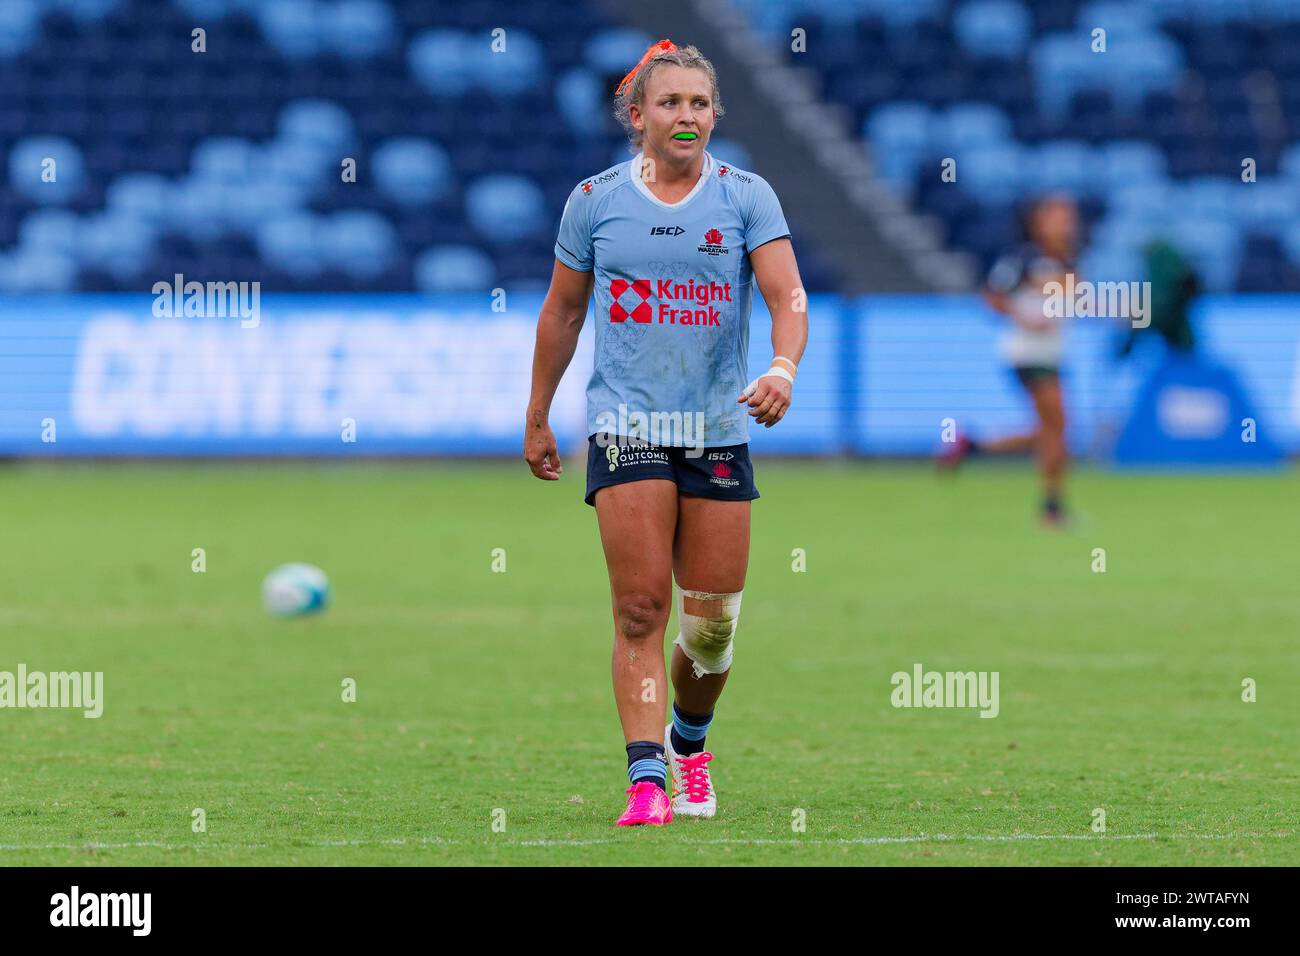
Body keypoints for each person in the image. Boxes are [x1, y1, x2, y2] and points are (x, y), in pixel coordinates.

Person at [523, 40, 808, 826]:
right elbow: (563, 311)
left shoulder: (747, 197)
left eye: (699, 103)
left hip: (717, 430)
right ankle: (646, 779)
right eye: (670, 103)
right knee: (641, 610)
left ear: (715, 113)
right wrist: (540, 412)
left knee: (710, 633)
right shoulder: (595, 199)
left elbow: (789, 296)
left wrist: (781, 369)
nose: (686, 116)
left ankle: (690, 740)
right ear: (638, 114)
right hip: (627, 425)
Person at [940, 194, 1079, 526]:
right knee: (1057, 426)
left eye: (1067, 217)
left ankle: (974, 447)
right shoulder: (1021, 259)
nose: (1065, 223)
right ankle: (1052, 508)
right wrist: (1023, 317)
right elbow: (991, 296)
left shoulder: (1067, 261)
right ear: (1037, 222)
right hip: (1027, 352)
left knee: (1051, 429)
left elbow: (1072, 299)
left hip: (1052, 352)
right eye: (1057, 216)